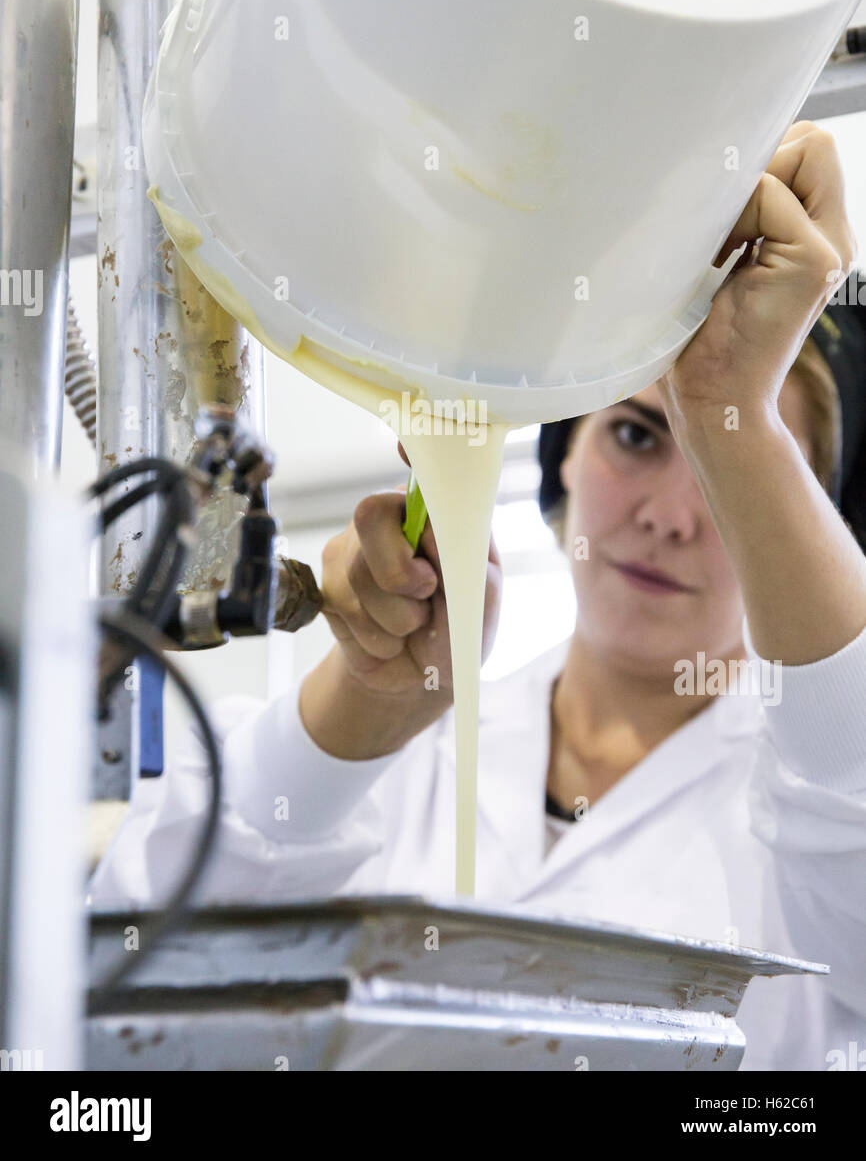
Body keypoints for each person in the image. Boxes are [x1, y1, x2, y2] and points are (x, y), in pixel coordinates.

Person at [89, 122, 866, 1071]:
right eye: (634, 435)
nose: (670, 516)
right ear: (563, 459)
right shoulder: (419, 752)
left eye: (726, 470)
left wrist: (725, 407)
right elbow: (131, 981)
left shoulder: (806, 813)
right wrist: (364, 705)